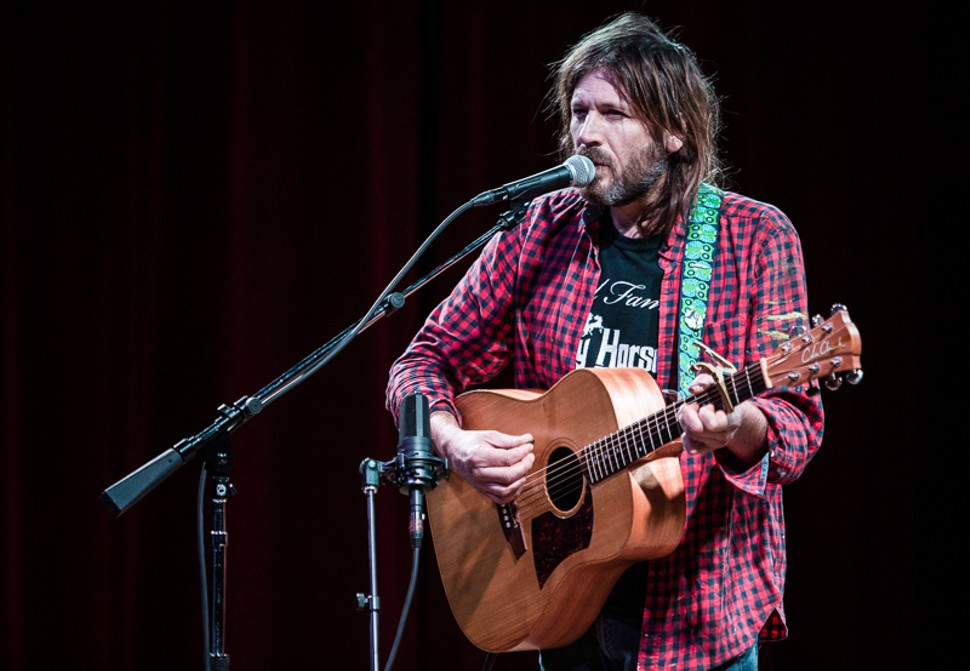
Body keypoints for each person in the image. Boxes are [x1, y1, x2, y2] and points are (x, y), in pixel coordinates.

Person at [386, 11, 824, 671]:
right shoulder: (540, 229)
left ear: (675, 132)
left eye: (612, 114)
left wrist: (736, 423)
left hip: (699, 615)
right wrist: (455, 442)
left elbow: (796, 426)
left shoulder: (755, 238)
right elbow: (423, 359)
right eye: (578, 111)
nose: (584, 134)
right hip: (559, 587)